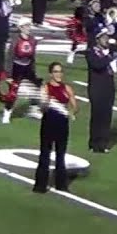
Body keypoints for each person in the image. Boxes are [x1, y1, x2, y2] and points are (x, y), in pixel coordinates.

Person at [33, 62, 76, 193]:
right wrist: (45, 103)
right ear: (51, 74)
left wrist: (71, 113)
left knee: (60, 155)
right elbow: (42, 107)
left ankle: (61, 184)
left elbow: (75, 105)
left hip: (62, 126)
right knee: (45, 154)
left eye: (60, 71)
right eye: (56, 72)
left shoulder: (67, 88)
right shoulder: (45, 88)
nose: (59, 74)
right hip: (48, 124)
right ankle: (40, 185)